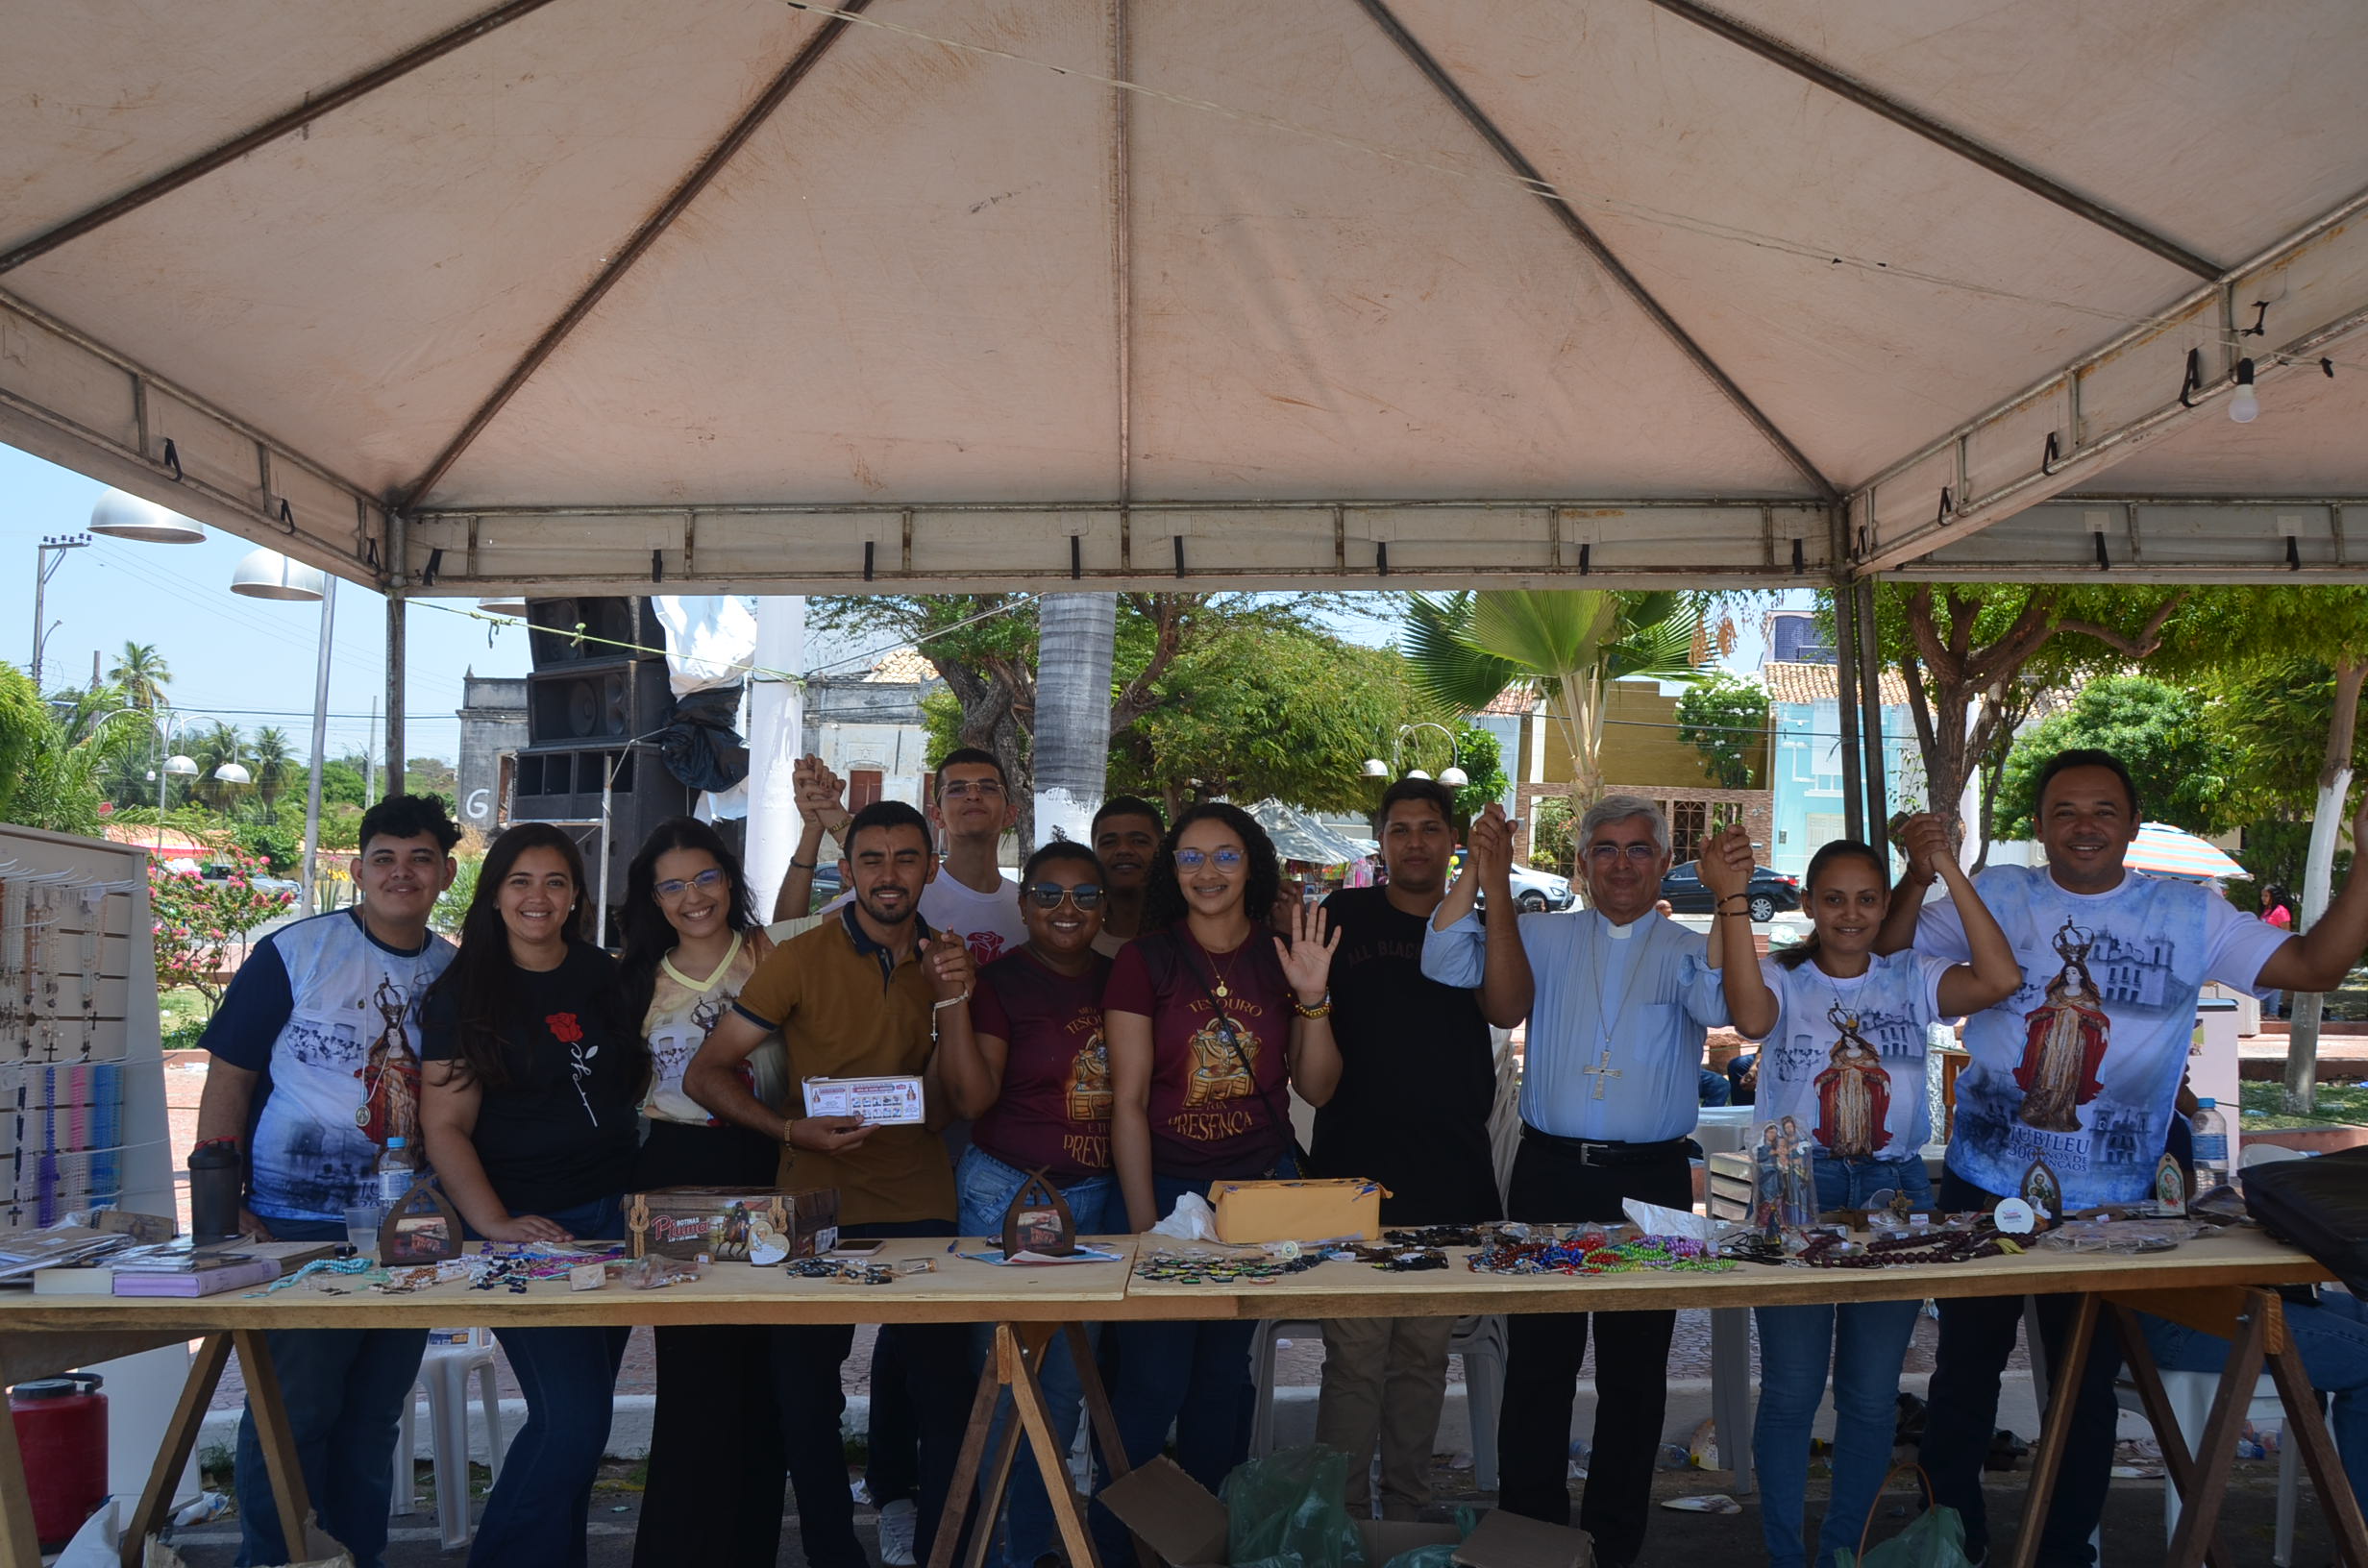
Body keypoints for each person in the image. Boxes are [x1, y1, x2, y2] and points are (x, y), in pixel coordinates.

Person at [1875, 749, 2368, 1567]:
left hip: (2117, 1200)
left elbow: (2316, 966)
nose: (2084, 826)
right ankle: (1950, 1543)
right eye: (2065, 811)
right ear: (2038, 826)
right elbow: (1889, 952)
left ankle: (2067, 1552)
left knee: (2085, 1388)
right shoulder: (1996, 891)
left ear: (2133, 824)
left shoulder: (2189, 913)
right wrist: (1918, 872)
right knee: (1964, 1377)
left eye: (2104, 810)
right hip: (1987, 1179)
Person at [1420, 795, 1730, 1568]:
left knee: (1636, 1375)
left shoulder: (1690, 945)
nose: (1620, 862)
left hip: (1653, 1184)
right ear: (1582, 864)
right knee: (1539, 1369)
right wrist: (1478, 868)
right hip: (1551, 1172)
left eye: (1637, 849)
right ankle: (1532, 1543)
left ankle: (1614, 1548)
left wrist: (1731, 903)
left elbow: (1728, 1003)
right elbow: (1445, 958)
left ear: (1663, 863)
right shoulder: (1539, 932)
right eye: (1604, 849)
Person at [1706, 822, 2018, 1568]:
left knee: (1872, 1397)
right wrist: (1730, 898)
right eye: (1835, 899)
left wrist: (1940, 866)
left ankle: (1843, 1548)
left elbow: (2000, 979)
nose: (1851, 914)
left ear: (1886, 905)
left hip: (1893, 1191)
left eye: (1868, 900)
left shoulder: (1912, 974)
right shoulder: (1782, 973)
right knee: (1788, 1391)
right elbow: (1747, 1021)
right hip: (1794, 1184)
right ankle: (1787, 1554)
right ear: (1809, 903)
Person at [685, 800, 977, 1568]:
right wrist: (790, 1130)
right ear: (845, 873)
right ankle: (828, 1551)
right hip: (810, 1199)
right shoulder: (800, 958)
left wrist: (956, 998)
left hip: (920, 1195)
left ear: (931, 869)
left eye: (905, 858)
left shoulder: (952, 961)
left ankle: (944, 1548)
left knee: (946, 1390)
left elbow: (963, 1101)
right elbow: (706, 1072)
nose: (888, 874)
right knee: (806, 1396)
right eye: (871, 860)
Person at [192, 795, 459, 1568]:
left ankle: (355, 1557)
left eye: (419, 859)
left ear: (444, 874)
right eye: (384, 857)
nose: (400, 873)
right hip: (289, 1223)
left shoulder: (455, 970)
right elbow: (229, 1081)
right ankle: (274, 1560)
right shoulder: (295, 952)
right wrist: (226, 1206)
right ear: (357, 868)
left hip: (405, 1229)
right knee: (294, 1413)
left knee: (374, 1418)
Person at [1093, 803, 1344, 1564]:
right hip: (1167, 1191)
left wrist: (1312, 998)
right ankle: (1115, 1549)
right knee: (1150, 1382)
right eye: (1192, 858)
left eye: (1225, 857)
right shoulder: (1147, 960)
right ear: (1174, 870)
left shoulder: (1282, 955)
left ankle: (1204, 1547)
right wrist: (1145, 1231)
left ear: (1252, 866)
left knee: (1220, 1382)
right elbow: (1128, 1103)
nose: (1208, 873)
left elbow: (1319, 1088)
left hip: (1253, 1198)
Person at [418, 824, 645, 1568]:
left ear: (577, 895)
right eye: (520, 881)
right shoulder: (465, 993)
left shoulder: (602, 974)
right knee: (573, 1421)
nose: (537, 897)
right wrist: (494, 1222)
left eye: (555, 881)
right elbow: (445, 1125)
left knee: (579, 1420)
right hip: (532, 1232)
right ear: (493, 895)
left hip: (612, 1220)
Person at [620, 818, 825, 1568]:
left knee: (766, 1378)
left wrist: (811, 830)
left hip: (771, 1162)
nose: (691, 897)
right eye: (671, 885)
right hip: (674, 1171)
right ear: (653, 898)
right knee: (694, 1374)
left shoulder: (770, 953)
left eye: (704, 877)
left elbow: (807, 908)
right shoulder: (633, 977)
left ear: (729, 881)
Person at [1309, 778, 1500, 1522]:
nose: (1414, 841)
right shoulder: (1340, 916)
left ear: (1453, 840)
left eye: (1429, 827)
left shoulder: (1485, 926)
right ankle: (1341, 1522)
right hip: (1350, 1176)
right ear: (1380, 843)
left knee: (1422, 1359)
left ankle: (1411, 1515)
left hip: (1449, 1177)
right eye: (1399, 829)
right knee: (1354, 1360)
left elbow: (1509, 1005)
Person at [934, 840, 1119, 1568]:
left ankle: (1035, 1545)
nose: (1065, 910)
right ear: (1024, 903)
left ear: (1104, 906)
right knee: (1004, 1386)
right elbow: (974, 1098)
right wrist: (951, 998)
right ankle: (1009, 1552)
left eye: (1083, 895)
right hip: (1002, 1192)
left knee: (1069, 1387)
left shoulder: (1123, 978)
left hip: (1096, 1197)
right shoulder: (1002, 982)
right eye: (1047, 894)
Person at [1091, 795, 1167, 953]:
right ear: (1094, 853)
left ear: (1162, 850)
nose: (1123, 850)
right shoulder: (1076, 936)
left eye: (1139, 841)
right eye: (1109, 842)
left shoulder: (1187, 935)